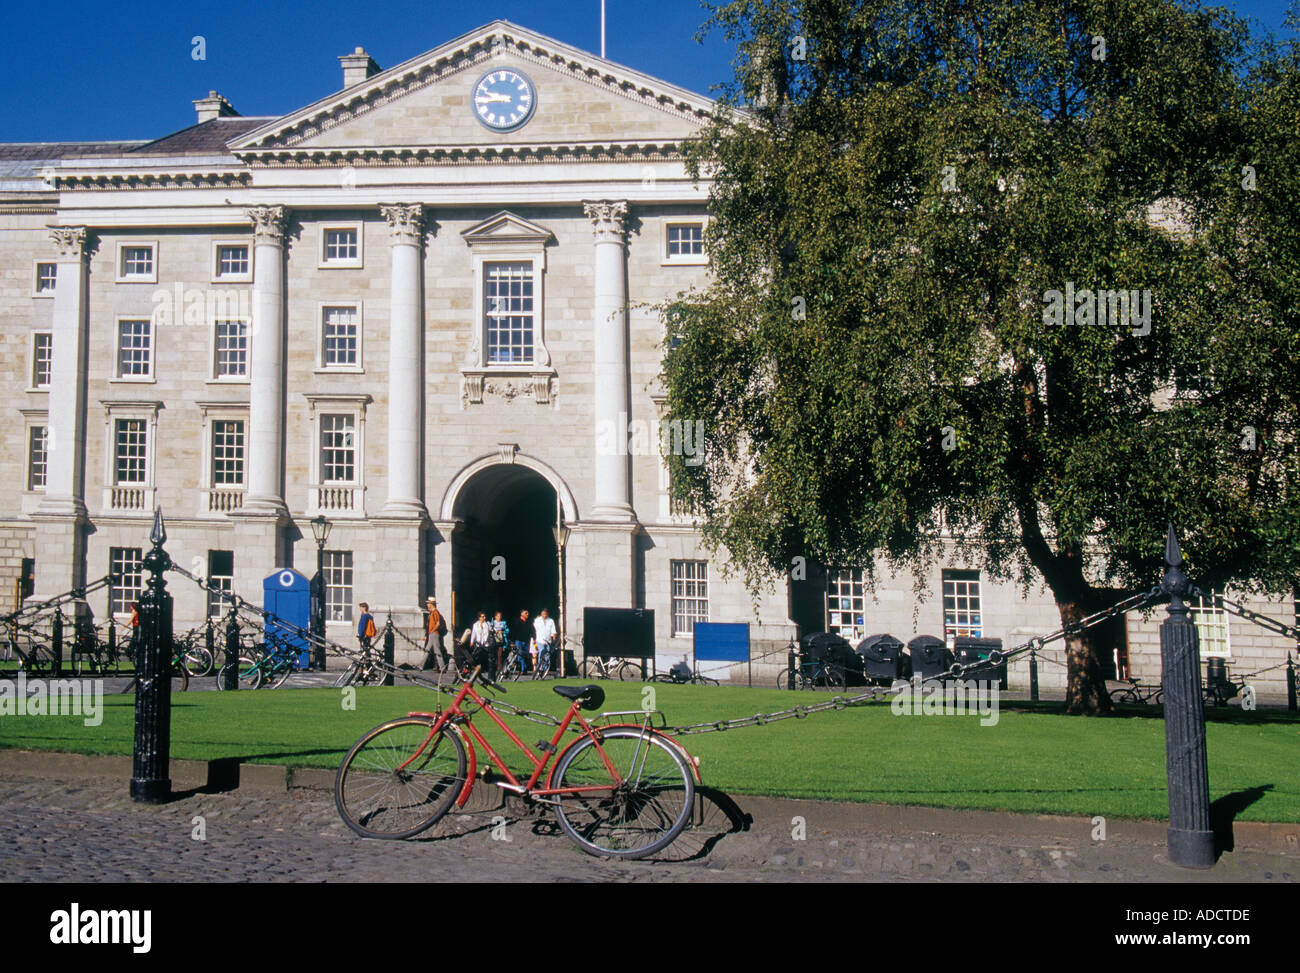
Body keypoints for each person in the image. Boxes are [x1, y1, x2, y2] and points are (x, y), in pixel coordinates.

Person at [423, 597, 448, 674]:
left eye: (428, 603)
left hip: (434, 634)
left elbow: (438, 623)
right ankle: (421, 665)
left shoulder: (435, 612)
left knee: (437, 650)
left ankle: (442, 667)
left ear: (431, 604)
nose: (427, 605)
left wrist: (432, 631)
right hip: (431, 634)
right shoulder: (431, 613)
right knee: (427, 650)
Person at [533, 608, 557, 677]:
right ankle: (540, 668)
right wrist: (534, 639)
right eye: (543, 614)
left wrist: (554, 637)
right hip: (540, 640)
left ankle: (545, 669)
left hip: (548, 641)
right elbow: (534, 629)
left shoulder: (551, 621)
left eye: (546, 614)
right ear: (541, 614)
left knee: (547, 656)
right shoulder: (537, 620)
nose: (545, 615)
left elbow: (553, 631)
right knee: (541, 653)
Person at [509, 609, 532, 674]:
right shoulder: (517, 621)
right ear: (522, 614)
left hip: (526, 641)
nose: (527, 614)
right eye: (526, 613)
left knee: (526, 655)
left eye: (528, 613)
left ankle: (524, 668)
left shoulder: (528, 622)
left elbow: (532, 630)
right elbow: (514, 631)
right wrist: (512, 641)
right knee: (519, 655)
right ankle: (523, 669)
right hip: (519, 641)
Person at [490, 610, 507, 678]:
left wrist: (502, 631)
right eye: (498, 616)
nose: (499, 617)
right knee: (493, 655)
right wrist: (495, 631)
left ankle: (499, 668)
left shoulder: (503, 623)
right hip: (494, 640)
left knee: (500, 655)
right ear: (495, 616)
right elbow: (490, 630)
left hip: (501, 641)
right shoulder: (492, 623)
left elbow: (507, 630)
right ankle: (493, 667)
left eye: (500, 616)